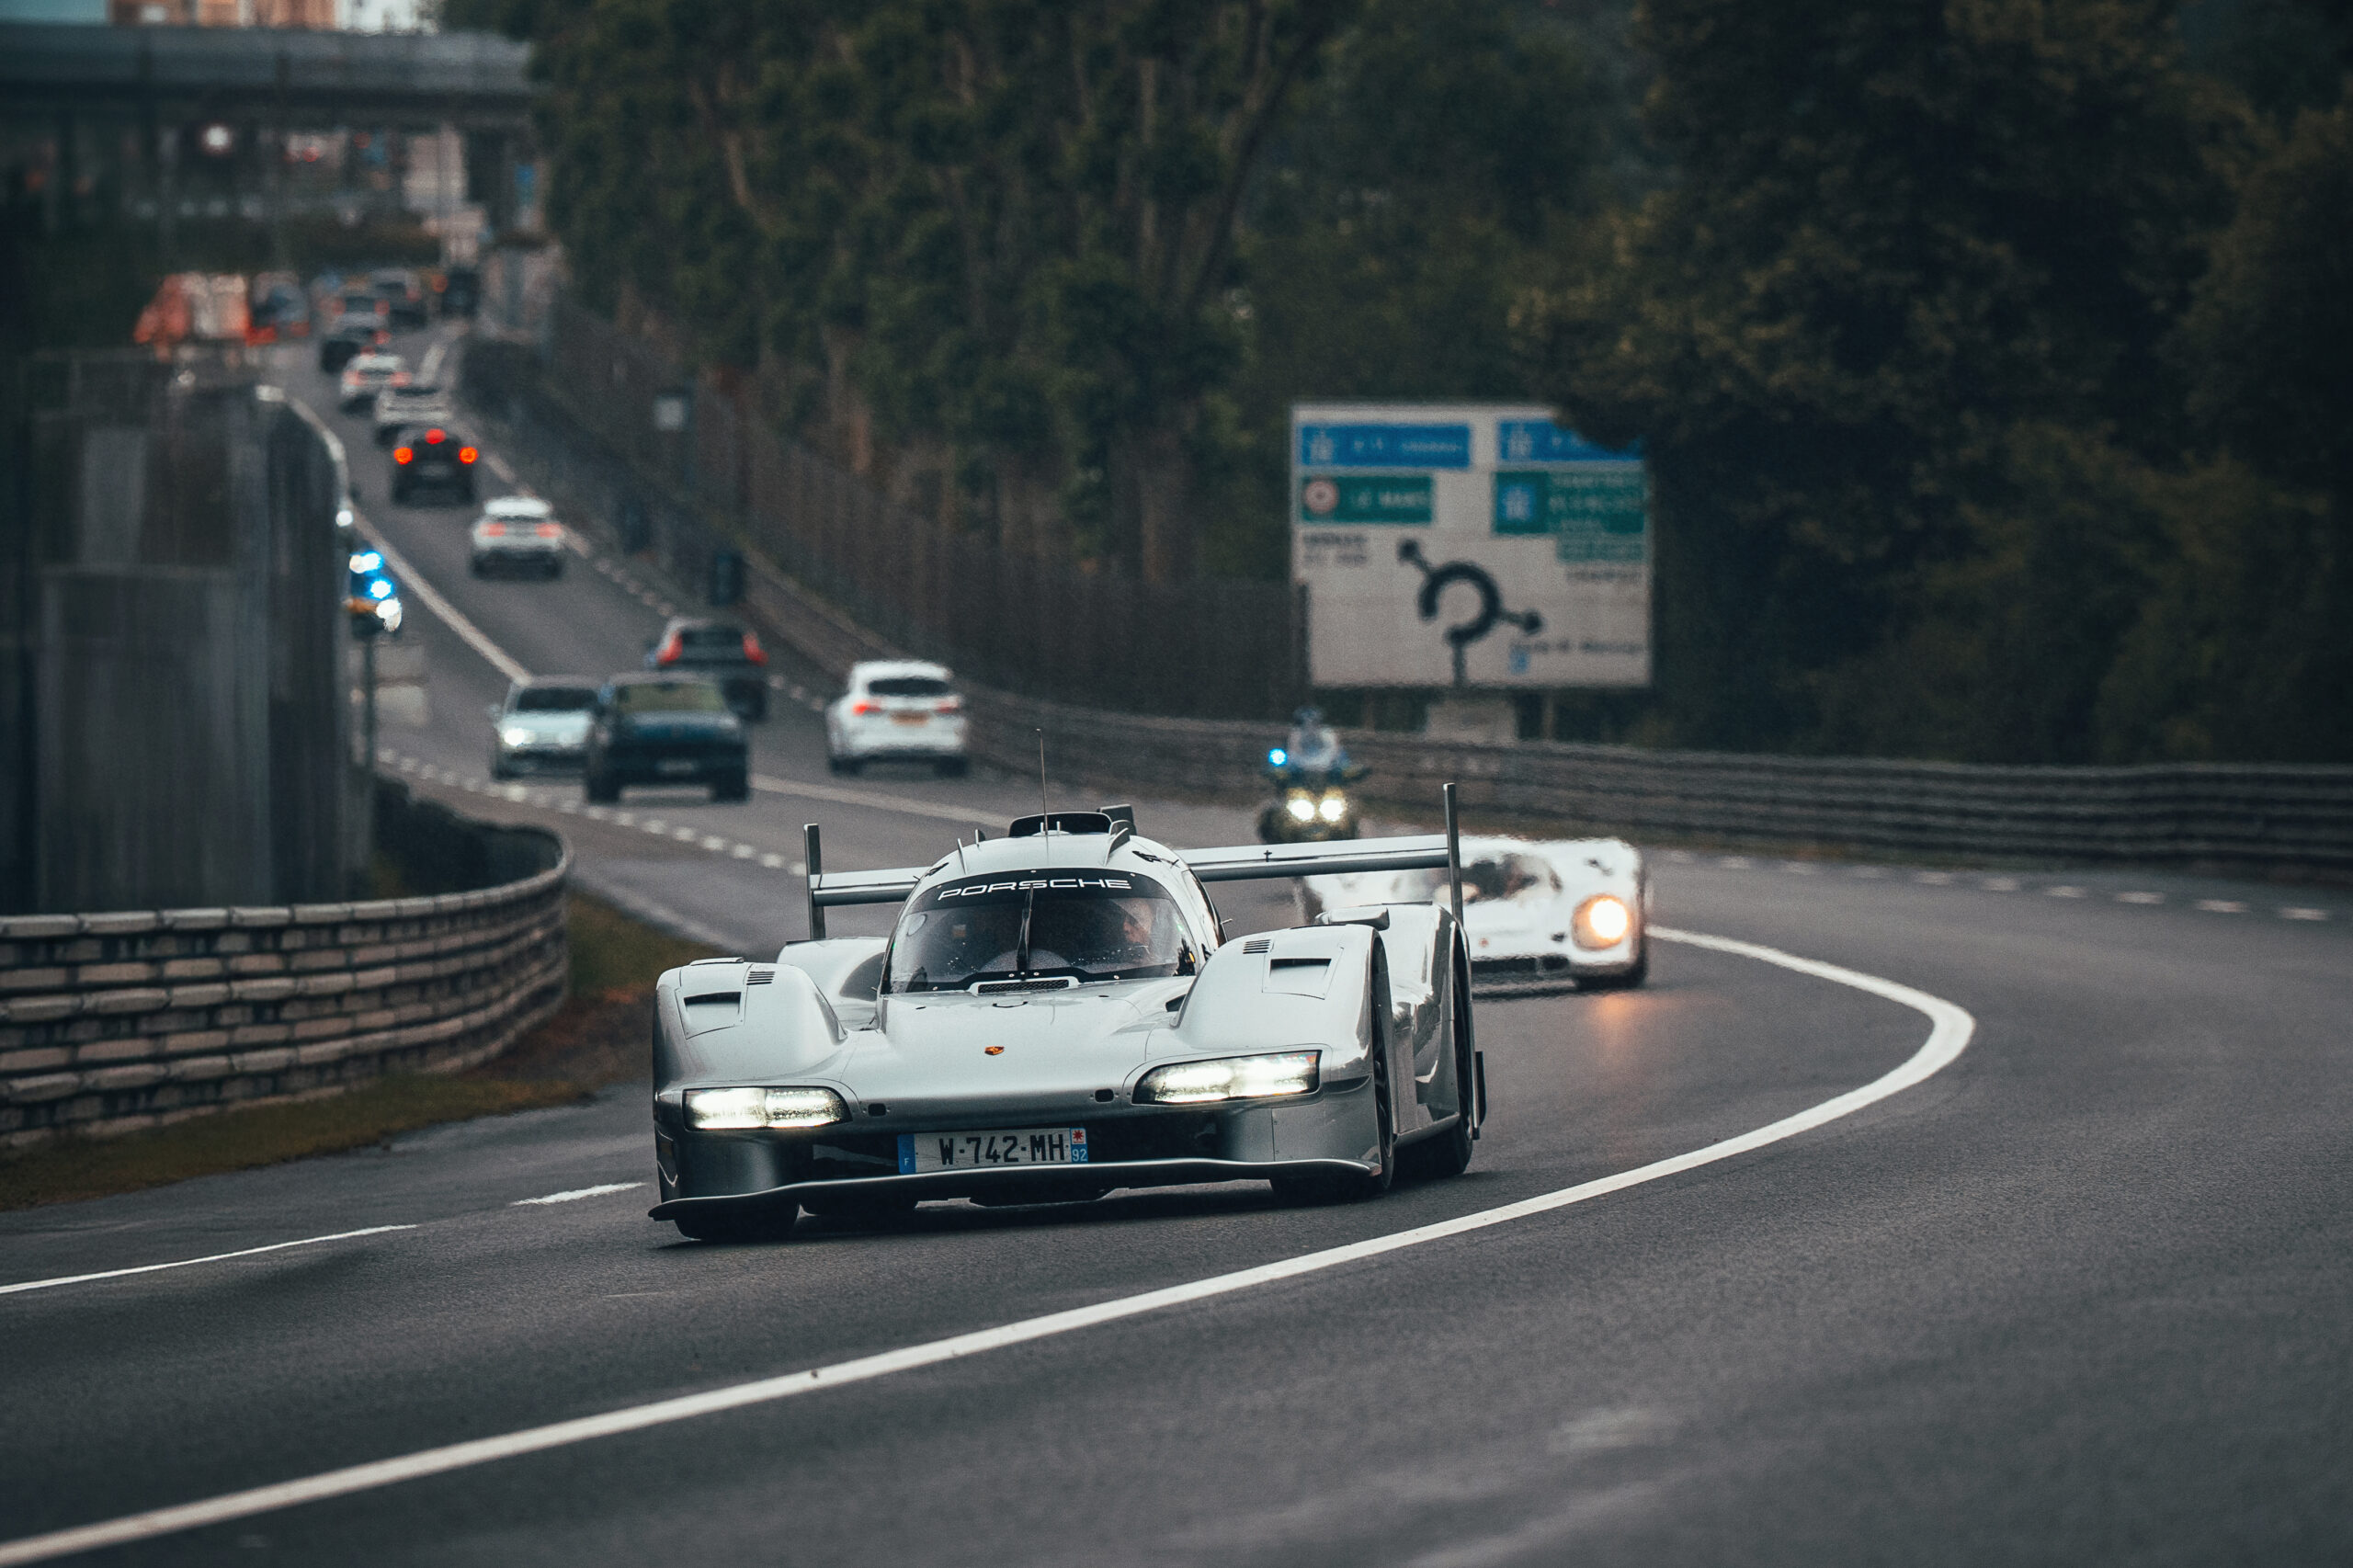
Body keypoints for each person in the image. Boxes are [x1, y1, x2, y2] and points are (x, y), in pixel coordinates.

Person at [1283, 706, 1348, 774]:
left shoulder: (1327, 733)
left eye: (1313, 721)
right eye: (1305, 721)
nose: (1309, 723)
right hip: (1303, 762)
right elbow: (1294, 750)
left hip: (1324, 762)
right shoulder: (1296, 733)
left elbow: (1334, 750)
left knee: (1341, 754)